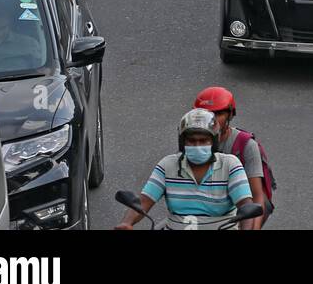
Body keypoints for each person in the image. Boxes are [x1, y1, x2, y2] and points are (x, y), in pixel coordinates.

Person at [115, 109, 254, 230]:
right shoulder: (167, 165)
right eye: (192, 141)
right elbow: (144, 201)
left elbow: (245, 205)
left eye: (203, 140)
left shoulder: (230, 165)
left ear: (214, 142)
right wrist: (127, 222)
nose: (197, 145)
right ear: (182, 143)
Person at [192, 86, 269, 227]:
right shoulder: (191, 142)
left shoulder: (246, 145)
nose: (212, 120)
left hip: (238, 203)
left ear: (230, 115)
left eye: (218, 114)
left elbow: (257, 197)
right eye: (207, 114)